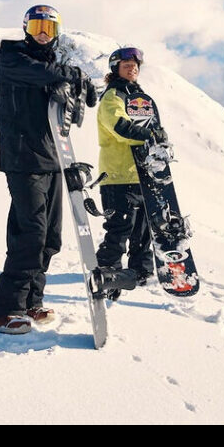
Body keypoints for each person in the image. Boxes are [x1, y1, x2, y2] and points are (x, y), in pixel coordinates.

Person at [0, 4, 96, 334]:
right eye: (36, 27)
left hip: (52, 159)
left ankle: (32, 300)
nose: (43, 34)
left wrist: (80, 88)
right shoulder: (13, 58)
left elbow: (61, 102)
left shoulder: (53, 66)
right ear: (25, 29)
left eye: (49, 28)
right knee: (30, 235)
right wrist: (68, 75)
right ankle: (3, 310)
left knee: (49, 238)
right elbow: (40, 75)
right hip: (22, 159)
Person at [94, 46, 169, 292]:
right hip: (117, 176)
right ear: (116, 67)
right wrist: (150, 135)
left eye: (136, 64)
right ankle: (108, 275)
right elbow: (119, 126)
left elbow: (151, 125)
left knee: (143, 230)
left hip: (142, 174)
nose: (132, 67)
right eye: (126, 64)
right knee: (119, 229)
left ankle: (141, 272)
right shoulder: (112, 96)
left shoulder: (141, 98)